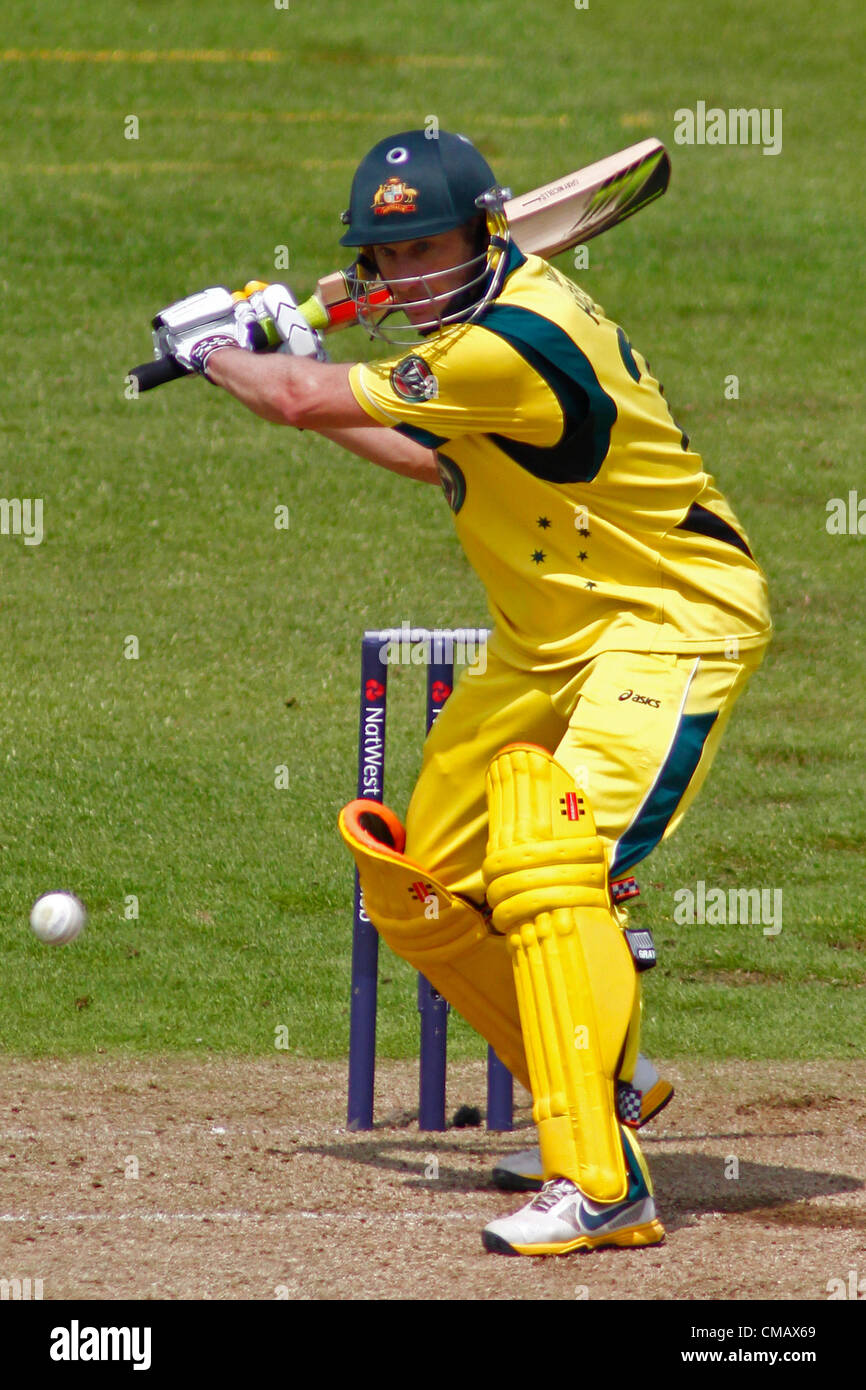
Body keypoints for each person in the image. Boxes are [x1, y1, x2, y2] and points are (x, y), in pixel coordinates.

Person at [154, 128, 772, 1256]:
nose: (404, 277)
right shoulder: (461, 339)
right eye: (384, 259)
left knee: (551, 858)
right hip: (546, 639)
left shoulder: (514, 339)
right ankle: (598, 1084)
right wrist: (281, 362)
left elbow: (301, 404)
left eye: (426, 248)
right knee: (415, 882)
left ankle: (597, 1178)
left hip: (665, 626)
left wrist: (220, 356)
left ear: (488, 233)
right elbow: (421, 446)